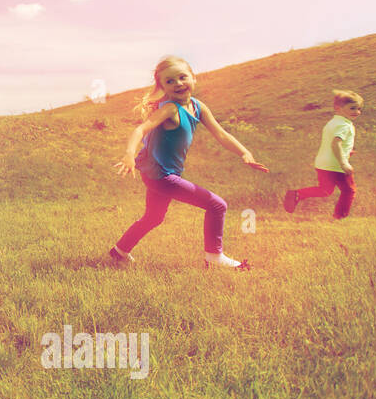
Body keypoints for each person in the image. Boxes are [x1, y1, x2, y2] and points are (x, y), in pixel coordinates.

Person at [109, 56, 268, 269]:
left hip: (162, 172)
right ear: (163, 87)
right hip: (161, 176)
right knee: (217, 205)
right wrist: (129, 154)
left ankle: (119, 252)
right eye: (170, 81)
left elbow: (220, 134)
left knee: (153, 217)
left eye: (182, 77)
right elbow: (140, 129)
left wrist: (245, 152)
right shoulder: (170, 109)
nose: (178, 84)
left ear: (194, 78)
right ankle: (214, 257)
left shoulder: (198, 106)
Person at [283, 90, 361, 219]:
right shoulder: (344, 125)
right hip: (336, 165)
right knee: (349, 190)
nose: (357, 112)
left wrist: (348, 152)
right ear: (338, 108)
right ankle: (339, 217)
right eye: (352, 108)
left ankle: (297, 194)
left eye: (359, 109)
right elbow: (336, 144)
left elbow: (332, 142)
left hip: (322, 163)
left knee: (325, 190)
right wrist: (344, 163)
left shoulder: (332, 123)